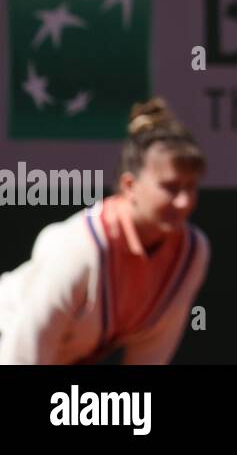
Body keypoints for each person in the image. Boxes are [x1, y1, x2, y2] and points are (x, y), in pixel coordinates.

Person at [0, 97, 210, 364]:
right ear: (130, 185)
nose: (184, 201)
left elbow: (153, 351)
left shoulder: (191, 252)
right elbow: (26, 346)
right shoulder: (82, 245)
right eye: (170, 187)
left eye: (191, 187)